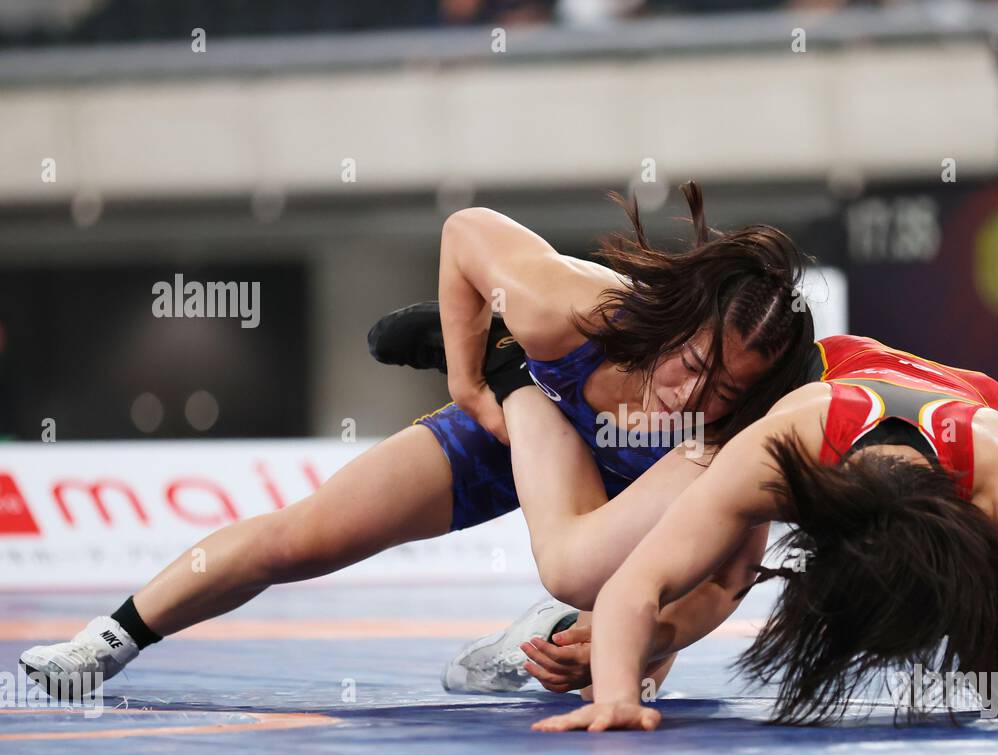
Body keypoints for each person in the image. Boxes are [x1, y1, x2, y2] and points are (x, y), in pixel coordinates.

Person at [20, 184, 815, 696]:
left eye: (726, 390)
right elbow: (467, 230)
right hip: (514, 423)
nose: (692, 395)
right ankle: (106, 640)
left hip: (613, 486)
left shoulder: (736, 432)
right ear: (677, 315)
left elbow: (726, 583)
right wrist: (467, 380)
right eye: (693, 365)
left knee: (633, 616)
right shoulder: (572, 308)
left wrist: (640, 642)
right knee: (301, 538)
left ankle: (559, 615)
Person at [529, 334, 998, 731]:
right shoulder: (775, 456)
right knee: (705, 563)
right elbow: (642, 578)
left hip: (972, 425)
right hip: (837, 381)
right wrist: (618, 694)